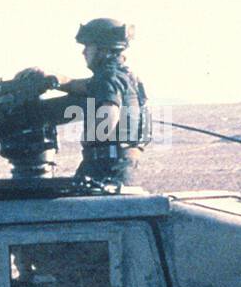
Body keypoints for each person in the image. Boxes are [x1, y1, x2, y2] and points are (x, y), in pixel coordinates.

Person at [20, 18, 150, 185]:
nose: (84, 52)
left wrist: (88, 138)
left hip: (105, 167)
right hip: (121, 164)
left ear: (102, 50)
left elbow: (109, 112)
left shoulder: (108, 77)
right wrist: (50, 77)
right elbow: (78, 86)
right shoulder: (124, 76)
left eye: (88, 47)